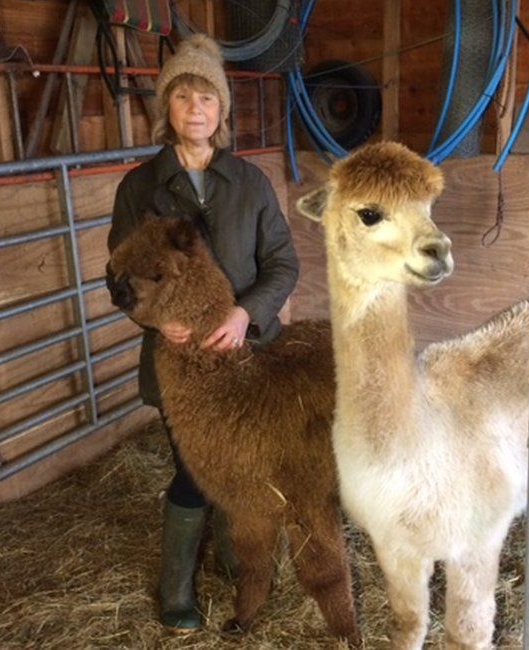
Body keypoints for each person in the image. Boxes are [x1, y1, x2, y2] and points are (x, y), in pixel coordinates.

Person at [105, 34, 299, 633]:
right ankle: (176, 590)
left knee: (242, 462)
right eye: (183, 96)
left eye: (207, 98)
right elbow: (119, 278)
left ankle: (232, 553)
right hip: (181, 361)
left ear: (221, 112)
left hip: (247, 354)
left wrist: (247, 315)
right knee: (194, 469)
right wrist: (157, 319)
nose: (196, 108)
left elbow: (283, 264)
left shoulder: (251, 183)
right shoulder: (140, 189)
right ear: (167, 107)